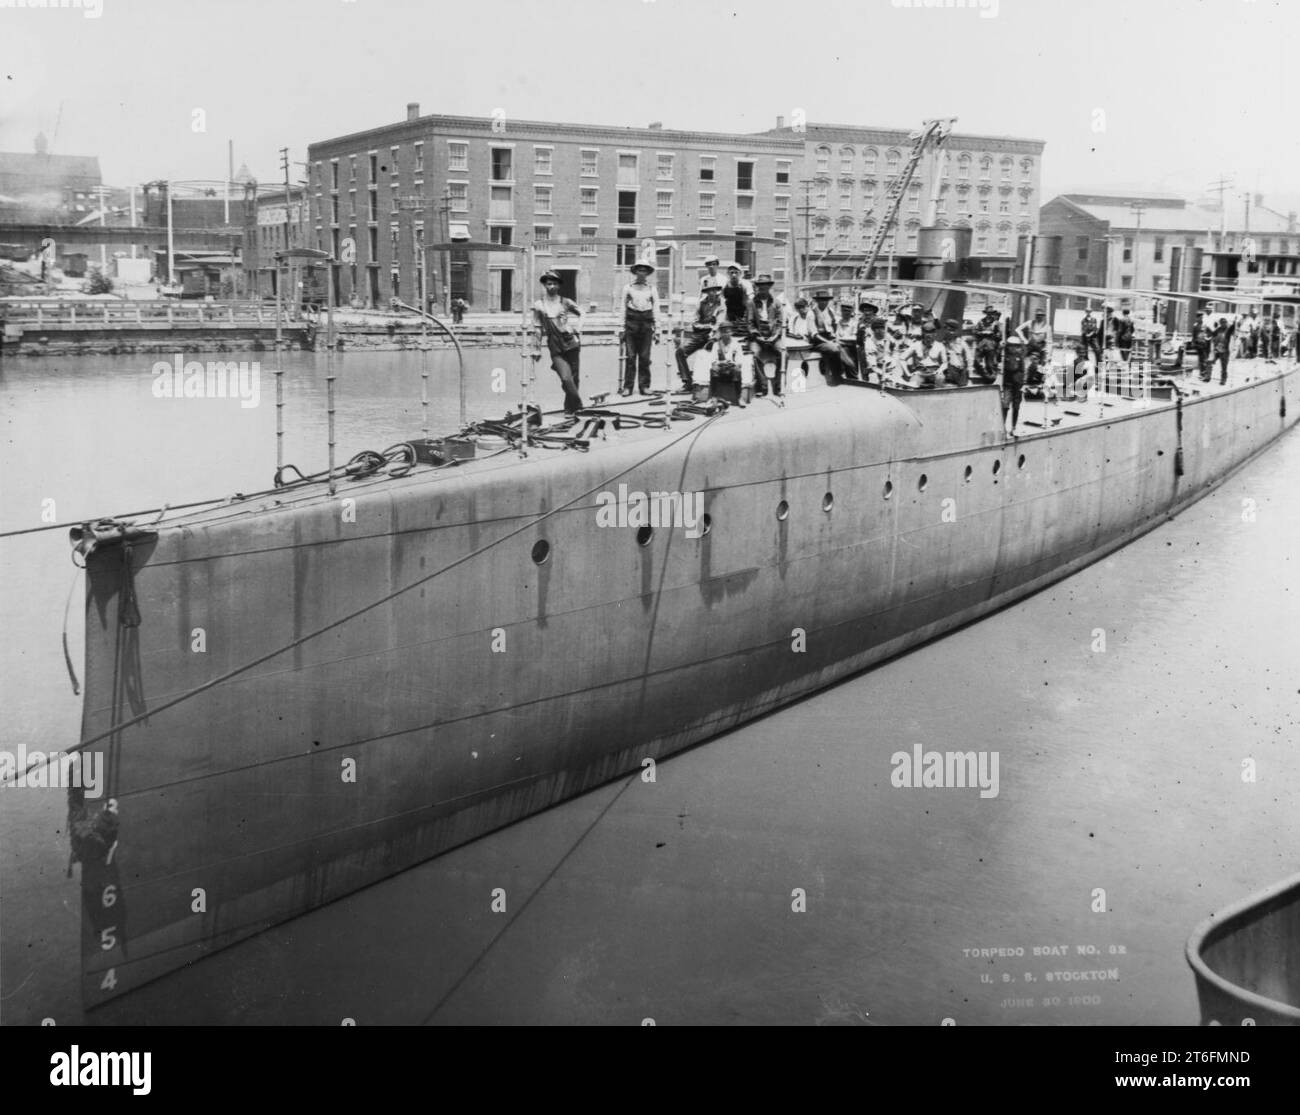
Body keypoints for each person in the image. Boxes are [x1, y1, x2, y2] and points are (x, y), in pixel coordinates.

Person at [533, 270, 584, 414]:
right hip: (555, 345)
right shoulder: (539, 305)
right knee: (566, 378)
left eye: (555, 283)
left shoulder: (565, 302)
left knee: (574, 378)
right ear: (544, 285)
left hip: (571, 342)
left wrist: (577, 328)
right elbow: (537, 328)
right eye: (549, 283)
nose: (552, 286)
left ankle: (569, 408)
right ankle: (579, 405)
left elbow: (582, 313)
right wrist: (537, 348)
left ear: (559, 285)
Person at [619, 261, 658, 395]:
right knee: (630, 357)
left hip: (646, 324)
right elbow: (622, 308)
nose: (641, 273)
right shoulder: (628, 288)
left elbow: (656, 309)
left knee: (645, 357)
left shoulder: (651, 289)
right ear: (635, 272)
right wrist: (621, 328)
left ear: (647, 273)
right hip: (631, 324)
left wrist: (658, 328)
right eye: (639, 270)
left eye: (644, 270)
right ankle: (628, 387)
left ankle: (644, 386)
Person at [675, 286, 722, 389]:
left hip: (715, 336)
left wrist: (712, 332)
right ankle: (687, 381)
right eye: (709, 290)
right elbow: (695, 322)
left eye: (714, 290)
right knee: (680, 351)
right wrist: (707, 326)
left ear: (717, 291)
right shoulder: (701, 303)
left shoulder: (721, 304)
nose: (712, 293)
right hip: (700, 335)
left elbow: (719, 323)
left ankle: (716, 385)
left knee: (714, 354)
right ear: (707, 292)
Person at [746, 274, 784, 397]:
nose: (763, 288)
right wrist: (758, 337)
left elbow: (780, 322)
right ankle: (762, 386)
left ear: (769, 287)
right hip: (758, 336)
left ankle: (778, 385)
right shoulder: (751, 303)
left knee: (784, 354)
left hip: (773, 335)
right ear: (757, 287)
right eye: (760, 286)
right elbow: (750, 323)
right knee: (753, 354)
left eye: (765, 286)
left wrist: (775, 336)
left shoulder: (776, 303)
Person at [810, 289, 844, 380]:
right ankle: (837, 374)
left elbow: (834, 326)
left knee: (845, 346)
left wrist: (835, 337)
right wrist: (828, 342)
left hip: (829, 338)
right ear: (817, 301)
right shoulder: (812, 313)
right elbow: (814, 334)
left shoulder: (830, 311)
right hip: (817, 341)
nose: (824, 302)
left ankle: (846, 373)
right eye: (821, 300)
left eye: (826, 300)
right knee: (834, 348)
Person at [1002, 333, 1027, 434]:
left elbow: (1023, 370)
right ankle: (1002, 427)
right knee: (1005, 405)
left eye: (1016, 346)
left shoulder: (1020, 357)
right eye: (1011, 345)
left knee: (1016, 407)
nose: (1013, 348)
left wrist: (1023, 384)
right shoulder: (1004, 356)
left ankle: (1014, 427)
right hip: (1007, 384)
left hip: (1018, 385)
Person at [835, 301, 862, 380]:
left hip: (851, 348)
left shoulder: (855, 323)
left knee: (851, 365)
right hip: (841, 347)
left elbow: (854, 338)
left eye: (848, 311)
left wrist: (840, 341)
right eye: (844, 311)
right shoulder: (838, 323)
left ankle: (852, 377)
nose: (846, 313)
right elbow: (836, 335)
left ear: (851, 312)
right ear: (841, 311)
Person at [1211, 315, 1234, 384]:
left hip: (1225, 350)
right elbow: (1213, 334)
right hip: (1217, 349)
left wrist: (1235, 322)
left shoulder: (1228, 330)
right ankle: (1207, 376)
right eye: (1222, 323)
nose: (1223, 324)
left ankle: (1223, 379)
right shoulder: (1218, 329)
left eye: (1224, 322)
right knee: (1210, 362)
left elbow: (1233, 327)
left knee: (1224, 366)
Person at [1192, 312, 1212, 382]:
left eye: (1201, 317)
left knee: (1204, 360)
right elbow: (1194, 335)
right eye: (1199, 317)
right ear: (1196, 318)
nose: (1200, 319)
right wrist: (1193, 342)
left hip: (1204, 345)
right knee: (1200, 360)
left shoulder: (1205, 325)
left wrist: (1207, 338)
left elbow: (1210, 333)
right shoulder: (1195, 325)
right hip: (1198, 345)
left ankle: (1205, 375)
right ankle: (1201, 374)